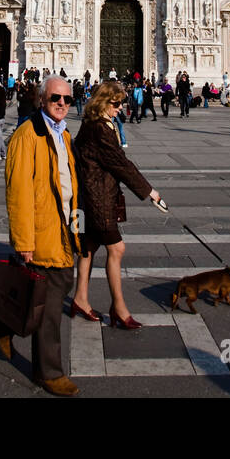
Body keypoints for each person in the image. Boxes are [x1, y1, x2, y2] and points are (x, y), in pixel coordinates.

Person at [0, 76, 82, 396]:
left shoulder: (64, 133)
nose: (62, 104)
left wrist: (79, 229)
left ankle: (2, 323)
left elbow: (70, 187)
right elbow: (19, 192)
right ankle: (48, 372)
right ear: (42, 99)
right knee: (50, 304)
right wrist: (24, 241)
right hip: (41, 234)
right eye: (56, 98)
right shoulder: (26, 134)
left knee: (54, 291)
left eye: (67, 99)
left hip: (64, 230)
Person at [71, 80, 160, 332]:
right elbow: (120, 163)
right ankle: (119, 308)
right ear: (104, 102)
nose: (121, 107)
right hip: (97, 197)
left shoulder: (91, 122)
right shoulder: (100, 128)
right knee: (117, 249)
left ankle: (80, 298)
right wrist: (149, 191)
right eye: (117, 103)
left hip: (90, 193)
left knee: (88, 246)